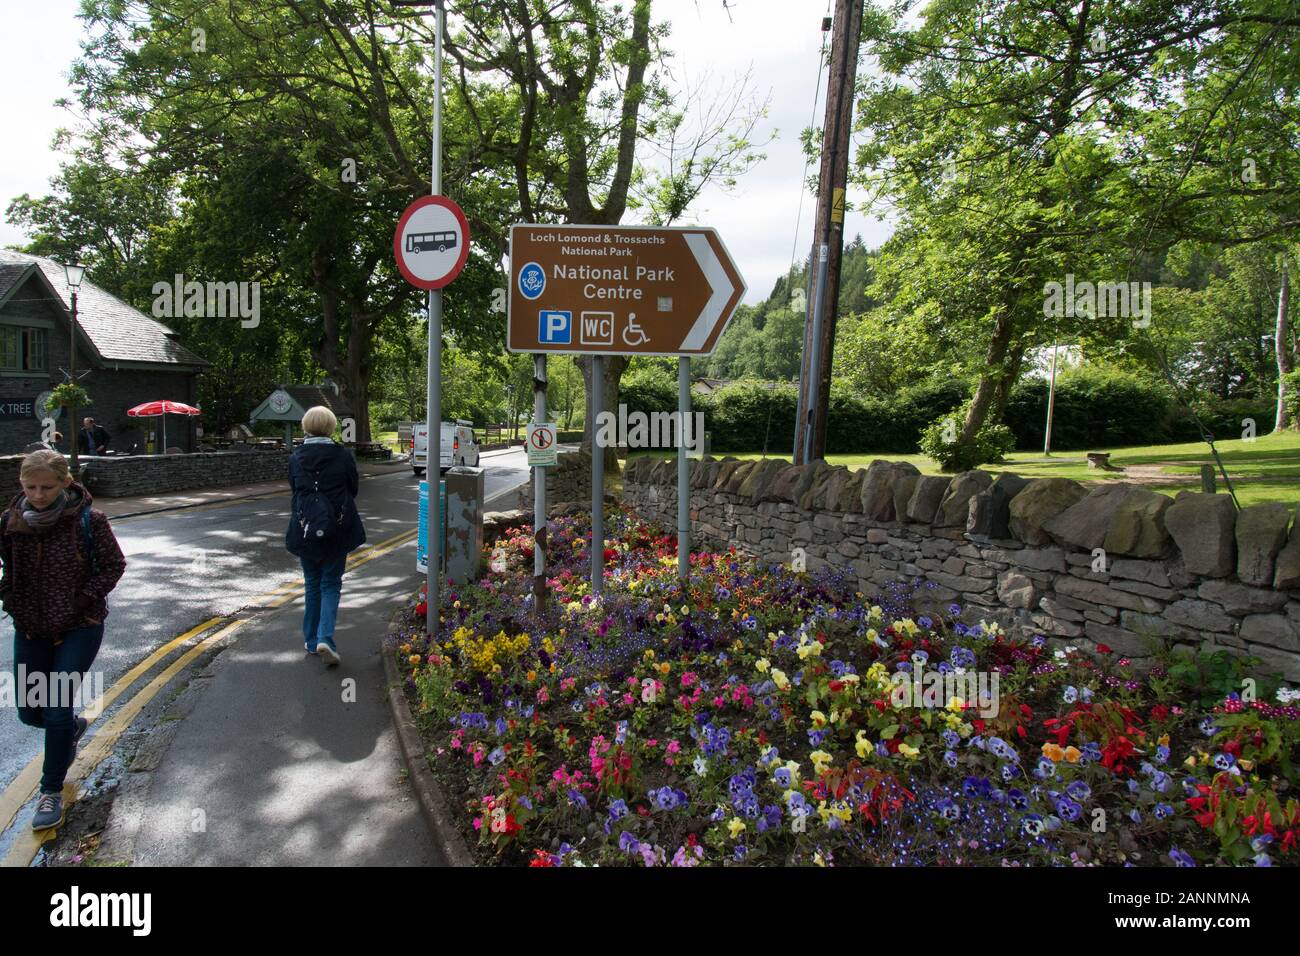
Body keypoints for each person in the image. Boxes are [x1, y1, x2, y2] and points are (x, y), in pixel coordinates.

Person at [0, 449, 127, 831]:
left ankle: (50, 791)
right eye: (30, 486)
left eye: (46, 487)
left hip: (79, 625)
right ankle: (69, 728)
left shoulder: (89, 520)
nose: (38, 494)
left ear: (65, 483)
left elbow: (114, 565)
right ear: (20, 484)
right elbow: (7, 567)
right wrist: (9, 596)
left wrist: (82, 601)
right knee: (29, 711)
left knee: (55, 707)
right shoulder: (9, 521)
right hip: (31, 626)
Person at [285, 406, 365, 666]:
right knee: (330, 583)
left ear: (306, 426)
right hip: (338, 529)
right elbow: (353, 489)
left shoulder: (296, 457)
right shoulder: (342, 456)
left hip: (306, 529)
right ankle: (325, 639)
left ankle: (310, 641)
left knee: (311, 584)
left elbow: (295, 489)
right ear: (331, 427)